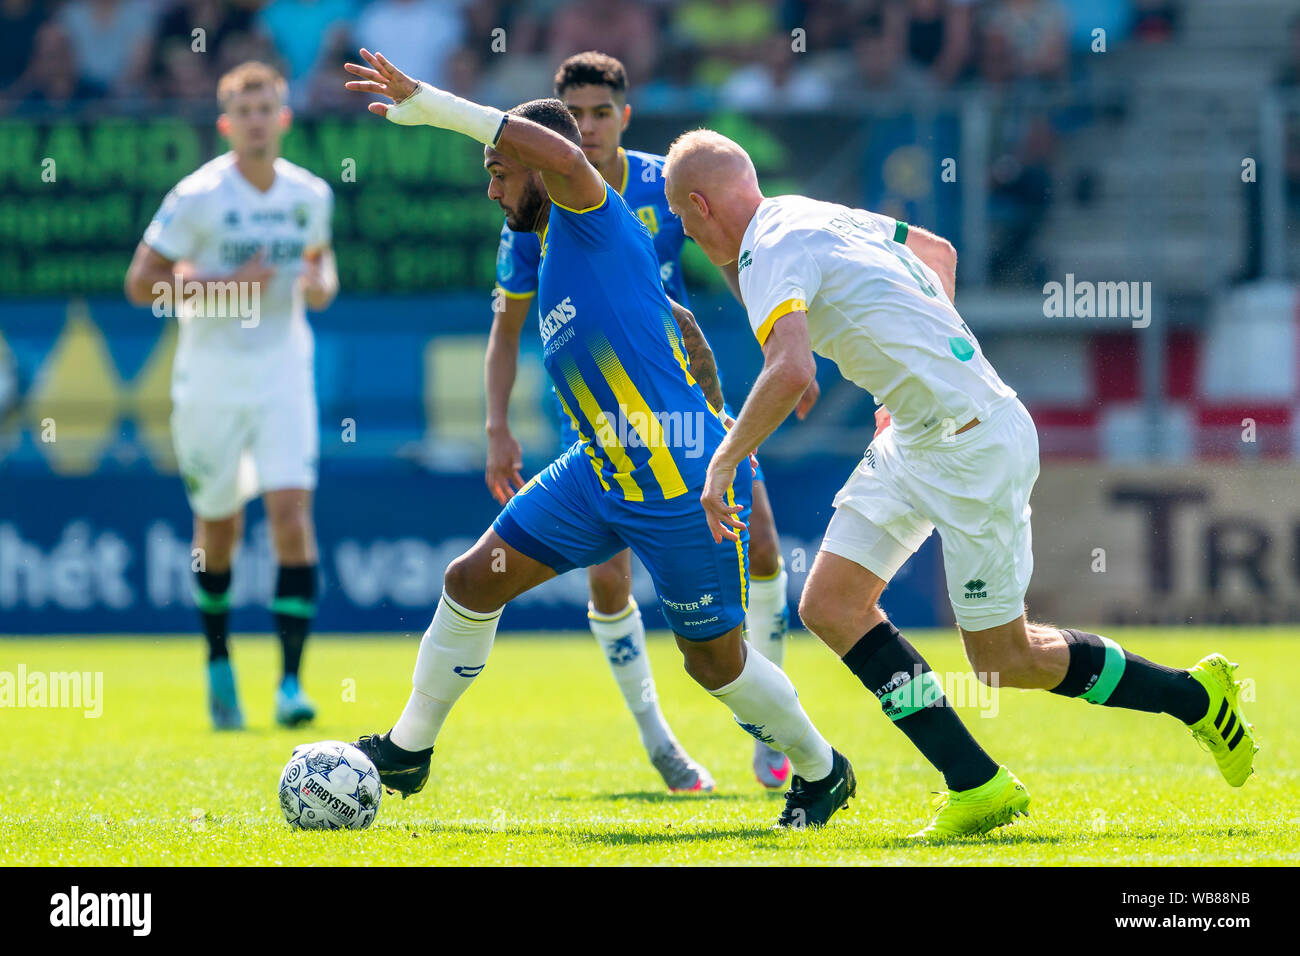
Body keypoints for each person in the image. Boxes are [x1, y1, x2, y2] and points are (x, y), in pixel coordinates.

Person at [663, 129, 1257, 838]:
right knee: (831, 603)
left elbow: (792, 371)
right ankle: (976, 783)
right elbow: (937, 251)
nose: (684, 232)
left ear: (698, 205)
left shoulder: (768, 251)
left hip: (974, 445)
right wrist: (920, 363)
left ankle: (1194, 697)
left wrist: (723, 461)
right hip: (919, 434)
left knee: (1004, 662)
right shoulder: (807, 213)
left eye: (681, 216)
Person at [342, 49, 855, 829]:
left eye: (499, 171)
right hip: (596, 471)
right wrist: (695, 359)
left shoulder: (589, 206)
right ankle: (409, 751)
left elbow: (565, 155)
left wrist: (436, 105)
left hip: (674, 479)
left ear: (538, 166)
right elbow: (664, 316)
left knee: (713, 662)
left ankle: (822, 771)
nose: (492, 188)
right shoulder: (552, 246)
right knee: (472, 581)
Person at [489, 51, 811, 793]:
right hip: (605, 414)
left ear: (624, 117)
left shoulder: (666, 187)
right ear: (559, 125)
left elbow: (734, 255)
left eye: (604, 113)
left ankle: (767, 734)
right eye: (578, 116)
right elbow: (505, 330)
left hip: (690, 401)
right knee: (609, 576)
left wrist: (782, 350)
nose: (592, 127)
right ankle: (657, 737)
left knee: (761, 540)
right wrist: (495, 425)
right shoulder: (533, 206)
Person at [125, 61, 338, 731]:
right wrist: (230, 285)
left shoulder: (310, 195)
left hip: (282, 371)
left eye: (265, 108)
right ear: (226, 124)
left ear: (283, 119)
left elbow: (320, 264)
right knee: (218, 528)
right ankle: (219, 665)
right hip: (210, 380)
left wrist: (320, 283)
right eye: (242, 111)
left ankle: (290, 684)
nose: (254, 120)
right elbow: (142, 285)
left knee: (291, 515)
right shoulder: (198, 196)